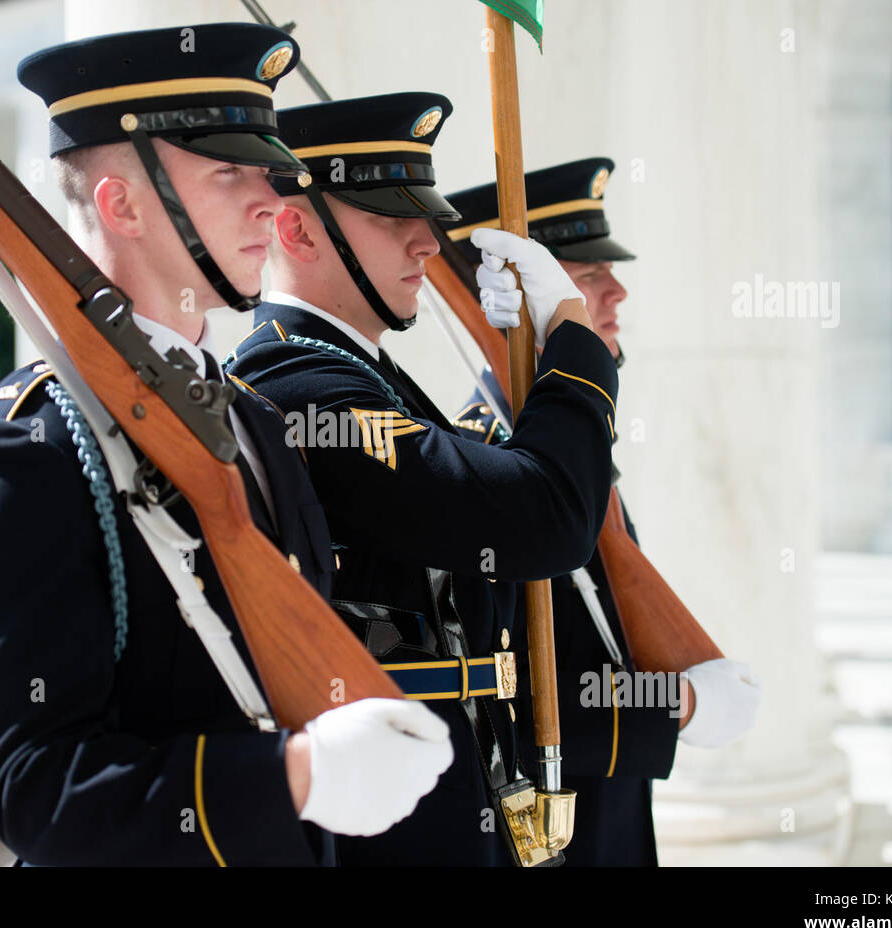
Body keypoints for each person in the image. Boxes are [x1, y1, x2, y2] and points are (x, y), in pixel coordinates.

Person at [0, 24, 452, 867]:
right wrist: (295, 777)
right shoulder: (24, 448)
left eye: (270, 174)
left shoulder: (255, 418)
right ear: (121, 205)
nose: (271, 205)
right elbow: (39, 789)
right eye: (227, 171)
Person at [225, 94, 619, 865]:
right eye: (388, 217)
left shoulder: (360, 374)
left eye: (424, 216)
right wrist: (570, 336)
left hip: (451, 793)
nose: (426, 244)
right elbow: (543, 515)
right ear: (297, 228)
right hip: (406, 827)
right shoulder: (301, 384)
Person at [444, 158, 762, 865]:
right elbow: (505, 699)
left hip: (609, 816)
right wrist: (676, 702)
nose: (615, 291)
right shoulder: (490, 456)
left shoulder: (567, 447)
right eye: (584, 280)